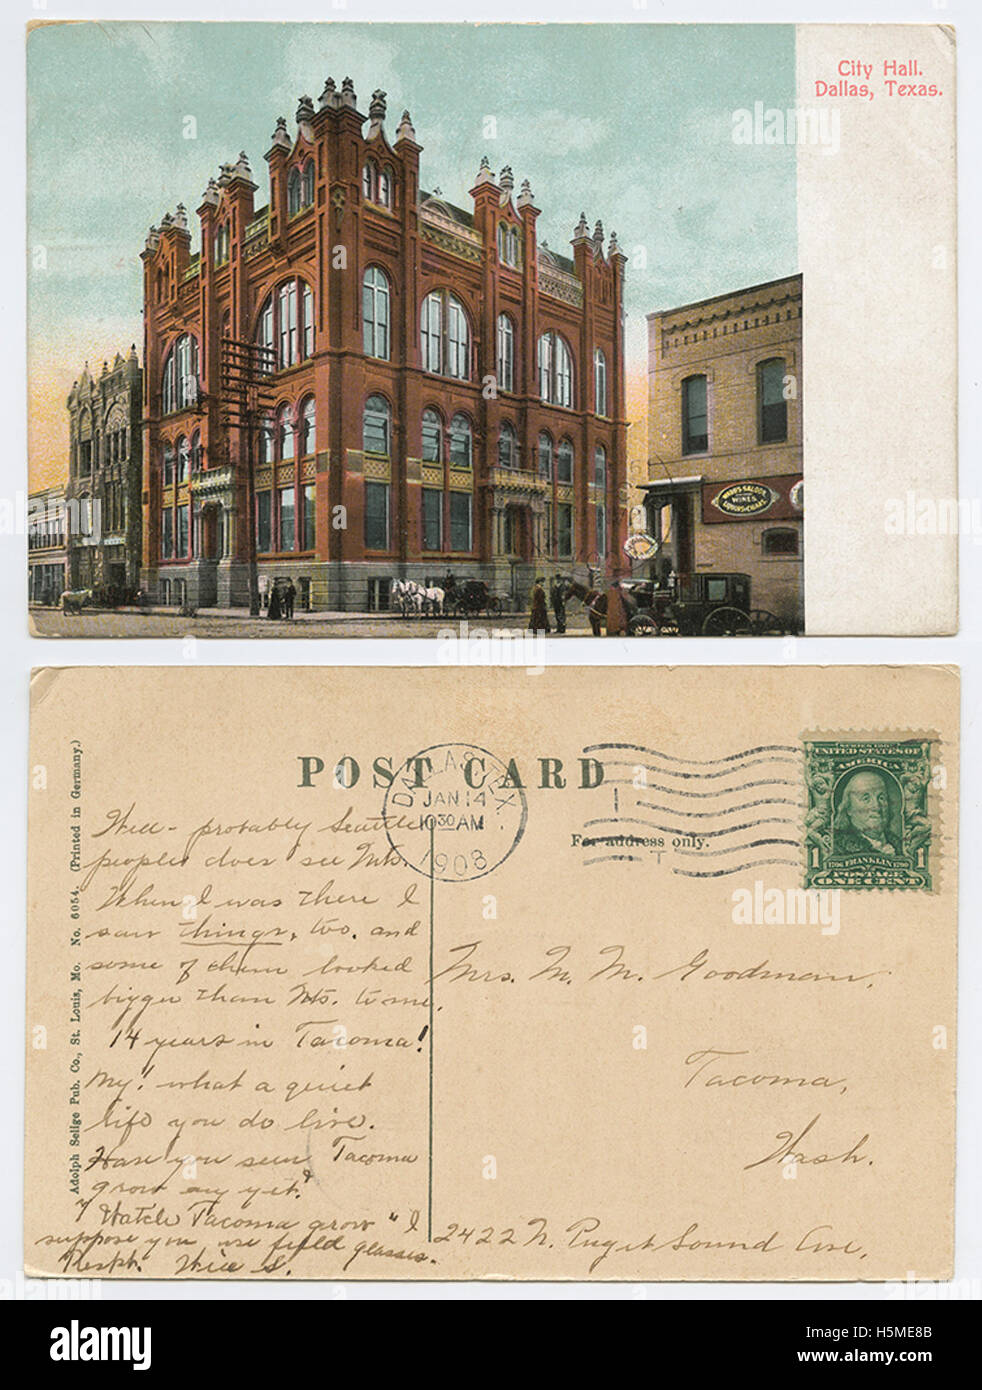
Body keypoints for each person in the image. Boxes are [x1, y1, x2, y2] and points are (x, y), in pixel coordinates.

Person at [833, 770, 901, 856]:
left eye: (881, 798)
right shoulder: (836, 847)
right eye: (866, 799)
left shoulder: (899, 845)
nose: (876, 806)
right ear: (848, 808)